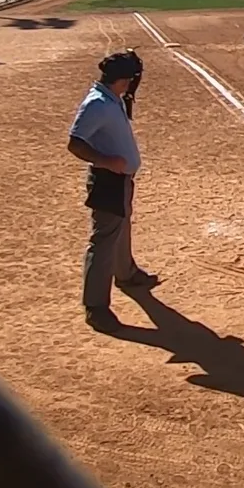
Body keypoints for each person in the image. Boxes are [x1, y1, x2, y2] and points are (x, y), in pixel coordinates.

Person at [67, 50, 157, 333]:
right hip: (107, 181)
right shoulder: (97, 104)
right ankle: (95, 307)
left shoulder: (112, 97)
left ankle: (126, 273)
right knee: (104, 240)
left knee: (121, 227)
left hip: (121, 180)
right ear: (124, 79)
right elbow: (75, 143)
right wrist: (106, 161)